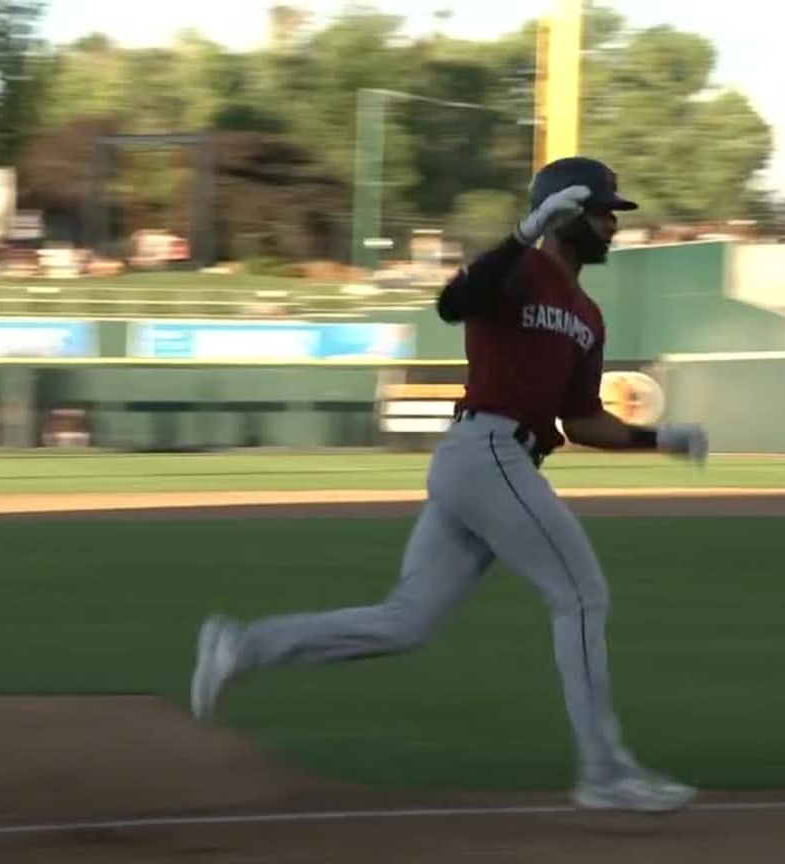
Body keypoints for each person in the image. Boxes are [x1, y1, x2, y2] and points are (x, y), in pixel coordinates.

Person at [189, 156, 710, 813]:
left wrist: (661, 439)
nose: (614, 222)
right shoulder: (515, 271)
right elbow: (451, 303)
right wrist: (524, 234)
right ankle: (604, 771)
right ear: (566, 214)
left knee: (405, 623)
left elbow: (580, 420)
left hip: (495, 462)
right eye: (605, 209)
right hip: (486, 450)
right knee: (581, 595)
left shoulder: (588, 314)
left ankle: (244, 646)